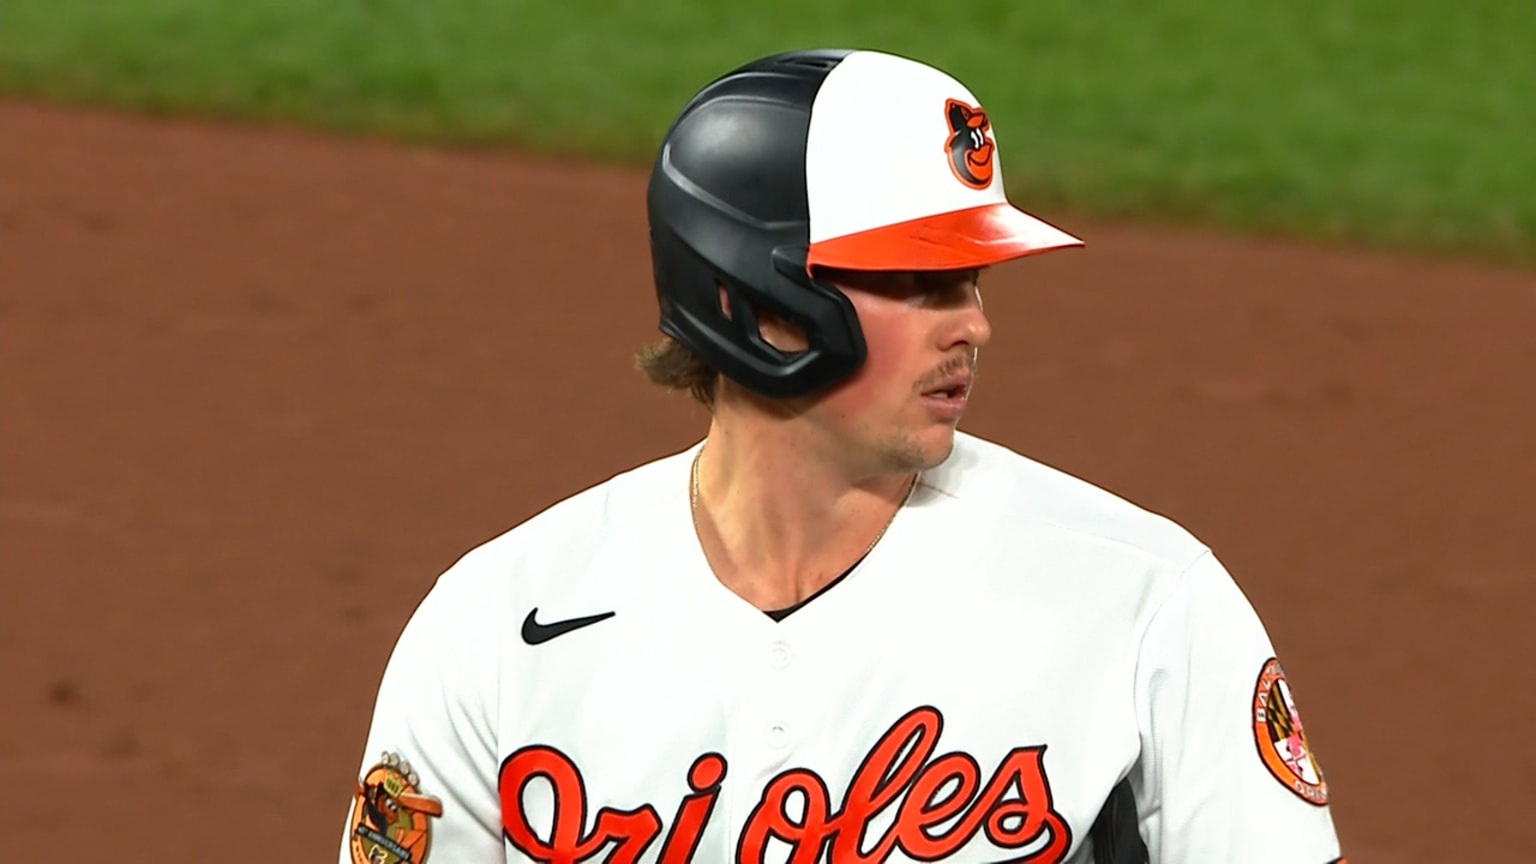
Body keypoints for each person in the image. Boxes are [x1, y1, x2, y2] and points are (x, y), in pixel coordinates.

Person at [339, 48, 1347, 864]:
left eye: (973, 281)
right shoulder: (497, 626)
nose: (973, 325)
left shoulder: (1142, 600)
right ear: (758, 299)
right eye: (919, 281)